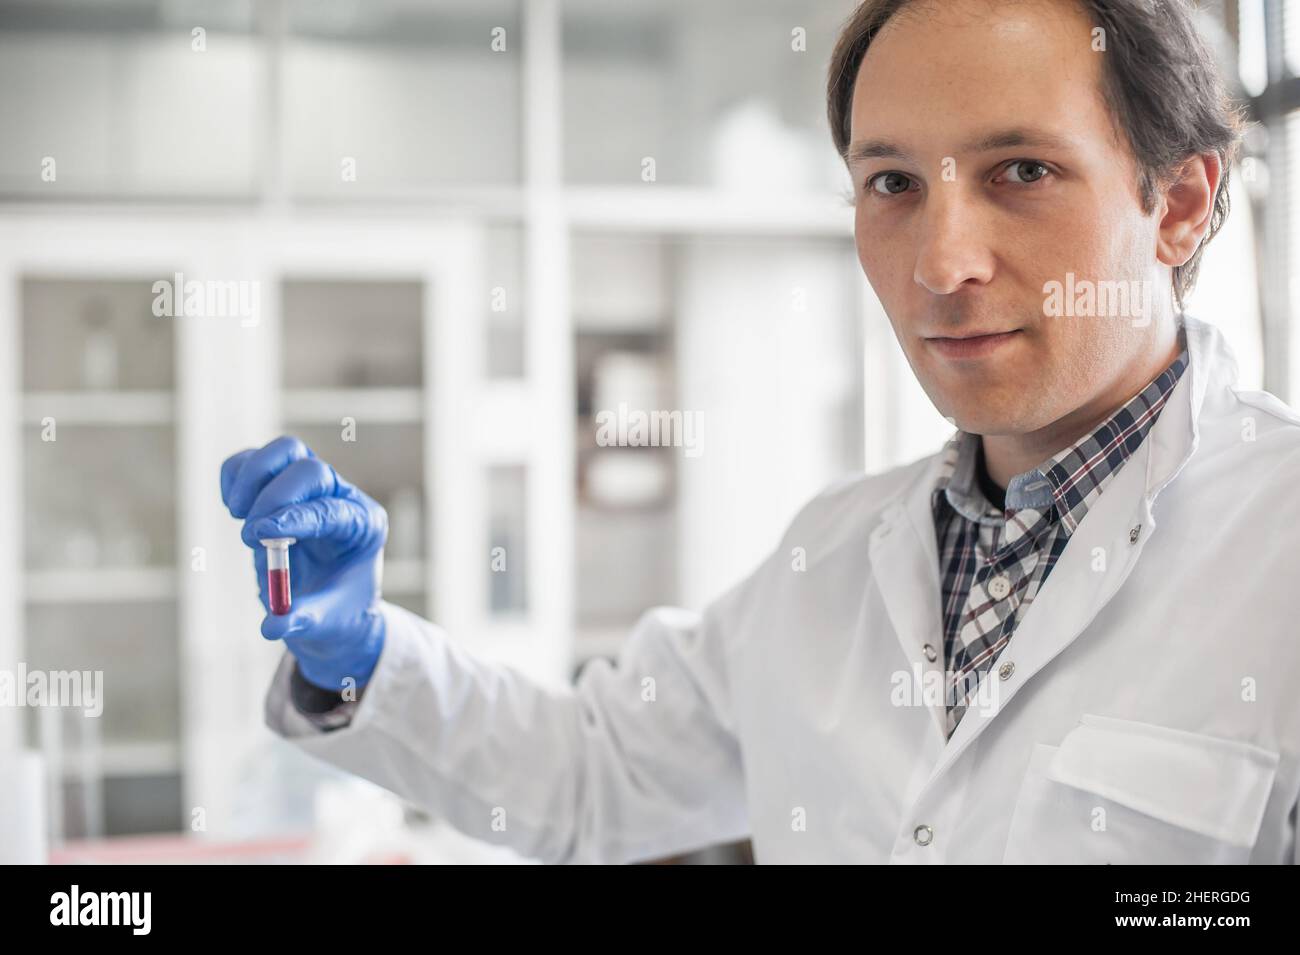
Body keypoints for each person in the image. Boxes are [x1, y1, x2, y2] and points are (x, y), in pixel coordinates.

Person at [220, 0, 1300, 863]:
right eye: (891, 184)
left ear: (1178, 205)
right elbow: (586, 781)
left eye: (1021, 171)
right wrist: (361, 656)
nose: (939, 262)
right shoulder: (826, 558)